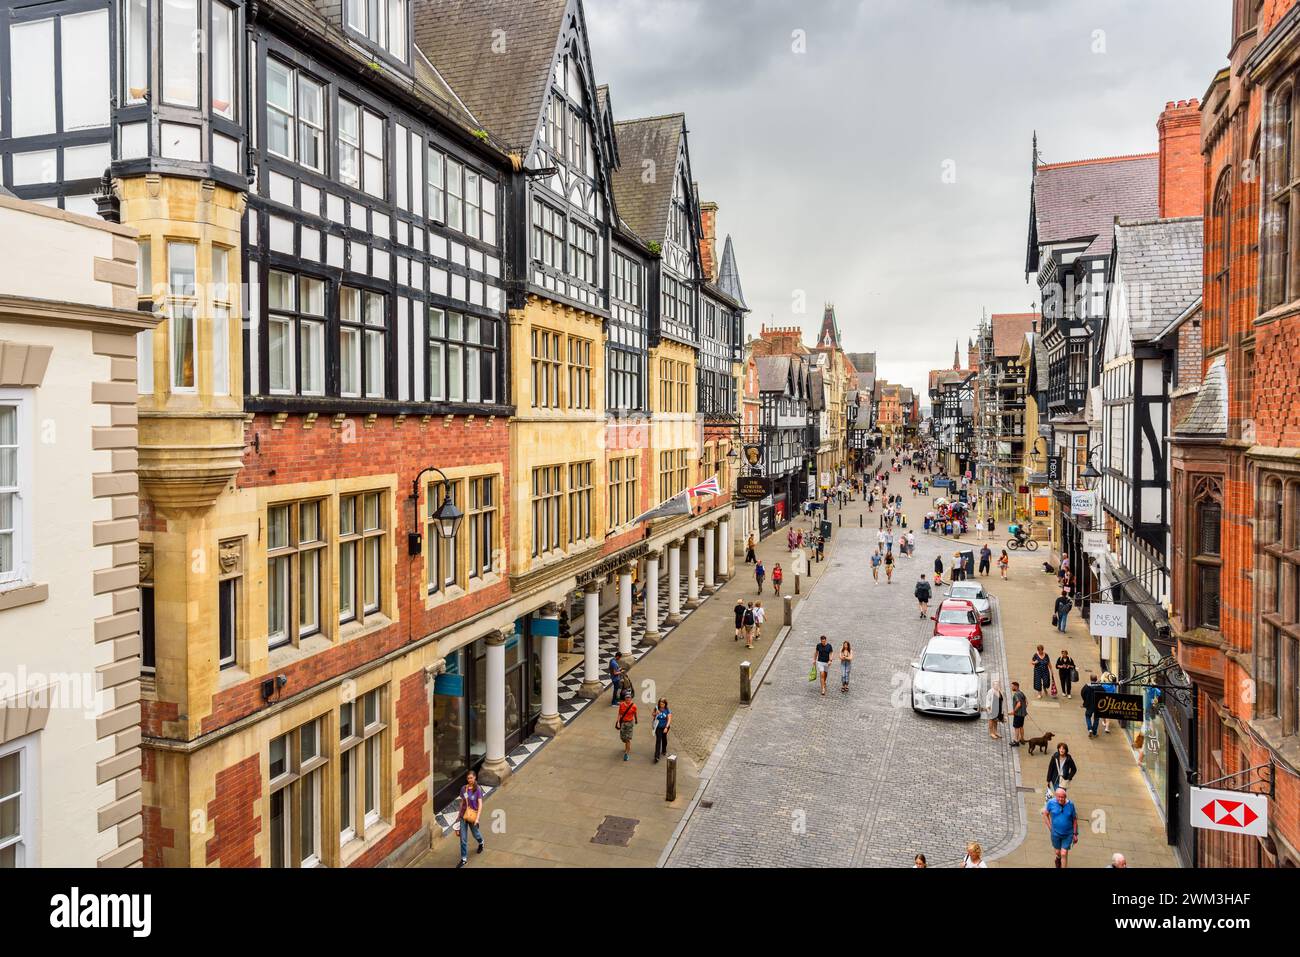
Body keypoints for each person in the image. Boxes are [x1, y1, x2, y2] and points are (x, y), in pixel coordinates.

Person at [455, 770, 486, 867]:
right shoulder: (464, 789)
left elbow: (480, 804)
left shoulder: (478, 790)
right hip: (464, 816)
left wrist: (477, 819)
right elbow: (462, 803)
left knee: (475, 834)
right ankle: (464, 859)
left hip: (473, 816)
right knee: (463, 839)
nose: (470, 780)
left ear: (475, 777)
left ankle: (481, 842)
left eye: (471, 778)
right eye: (468, 778)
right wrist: (458, 816)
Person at [1043, 787, 1079, 868]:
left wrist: (1075, 833)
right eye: (1058, 797)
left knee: (1064, 853)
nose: (1060, 799)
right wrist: (1050, 827)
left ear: (1065, 797)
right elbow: (1045, 814)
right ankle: (1058, 858)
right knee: (1057, 852)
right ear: (1055, 796)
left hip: (1068, 834)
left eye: (1062, 797)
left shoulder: (1071, 805)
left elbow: (1074, 819)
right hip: (1055, 833)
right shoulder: (1051, 803)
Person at [615, 689, 638, 761]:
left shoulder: (634, 706)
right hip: (623, 722)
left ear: (631, 698)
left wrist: (636, 720)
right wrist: (618, 722)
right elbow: (619, 713)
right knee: (622, 737)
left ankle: (627, 753)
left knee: (627, 738)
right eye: (626, 697)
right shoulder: (621, 704)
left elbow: (635, 714)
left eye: (629, 697)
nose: (628, 699)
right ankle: (627, 745)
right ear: (625, 698)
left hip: (630, 723)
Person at [652, 698, 672, 763]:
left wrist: (666, 727)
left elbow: (669, 719)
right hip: (658, 727)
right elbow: (652, 714)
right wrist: (655, 713)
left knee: (664, 738)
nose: (661, 705)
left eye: (663, 704)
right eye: (660, 704)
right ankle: (656, 756)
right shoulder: (656, 708)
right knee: (658, 740)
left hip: (665, 727)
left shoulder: (667, 710)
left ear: (665, 704)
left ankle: (664, 750)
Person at [1009, 680, 1028, 747]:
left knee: (1016, 727)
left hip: (1018, 714)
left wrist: (1014, 711)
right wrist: (1024, 708)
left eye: (1013, 686)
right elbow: (1026, 701)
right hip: (1023, 714)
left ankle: (1016, 741)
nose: (1011, 688)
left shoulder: (1016, 694)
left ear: (1016, 687)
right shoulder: (1021, 692)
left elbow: (1019, 703)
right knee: (1021, 726)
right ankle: (1022, 739)